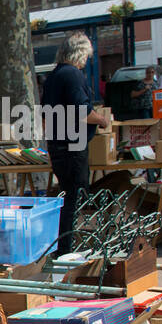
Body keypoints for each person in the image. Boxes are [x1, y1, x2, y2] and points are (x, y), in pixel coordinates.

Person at [41, 31, 111, 255]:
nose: (86, 62)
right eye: (87, 57)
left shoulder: (54, 76)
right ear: (81, 54)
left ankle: (63, 246)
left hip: (58, 145)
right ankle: (66, 249)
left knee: (67, 197)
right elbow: (82, 112)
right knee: (74, 198)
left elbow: (46, 113)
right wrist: (101, 119)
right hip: (73, 146)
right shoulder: (72, 75)